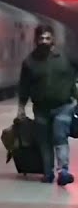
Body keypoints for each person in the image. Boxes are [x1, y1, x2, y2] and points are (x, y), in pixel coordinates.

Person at [17, 24, 78, 185]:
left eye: (47, 38)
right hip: (41, 109)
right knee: (44, 141)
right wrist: (21, 108)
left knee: (59, 135)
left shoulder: (66, 58)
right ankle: (48, 172)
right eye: (41, 38)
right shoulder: (29, 62)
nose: (44, 41)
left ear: (53, 40)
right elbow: (24, 86)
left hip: (64, 106)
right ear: (36, 40)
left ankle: (63, 171)